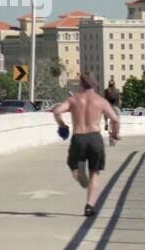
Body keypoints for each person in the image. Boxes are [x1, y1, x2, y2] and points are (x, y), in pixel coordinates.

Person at [52, 74, 121, 217]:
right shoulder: (101, 101)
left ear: (81, 86)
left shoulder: (73, 100)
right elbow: (115, 119)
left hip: (78, 137)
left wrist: (62, 125)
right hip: (95, 138)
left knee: (73, 165)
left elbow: (57, 111)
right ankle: (89, 205)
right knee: (94, 172)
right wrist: (115, 134)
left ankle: (79, 176)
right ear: (95, 86)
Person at [104, 79, 121, 146]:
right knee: (117, 121)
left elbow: (105, 99)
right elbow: (119, 100)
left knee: (106, 116)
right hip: (116, 107)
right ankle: (116, 134)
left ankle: (106, 123)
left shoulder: (106, 90)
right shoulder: (117, 90)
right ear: (114, 84)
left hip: (108, 107)